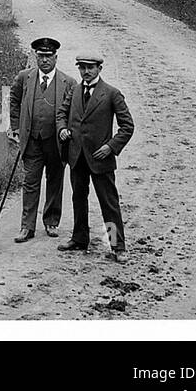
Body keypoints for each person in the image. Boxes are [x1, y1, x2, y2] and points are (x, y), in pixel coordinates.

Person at [57, 51, 135, 263]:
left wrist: (110, 147)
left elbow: (127, 126)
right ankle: (79, 238)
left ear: (100, 69)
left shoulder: (111, 93)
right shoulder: (73, 91)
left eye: (90, 68)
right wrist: (62, 129)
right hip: (77, 156)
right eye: (82, 67)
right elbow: (62, 114)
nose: (86, 72)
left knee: (108, 203)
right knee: (78, 198)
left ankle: (117, 245)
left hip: (101, 159)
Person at [8, 37, 76, 241]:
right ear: (36, 57)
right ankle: (27, 227)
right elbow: (14, 100)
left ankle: (51, 221)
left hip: (56, 141)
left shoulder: (69, 82)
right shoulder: (24, 78)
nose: (45, 60)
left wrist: (68, 132)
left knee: (55, 180)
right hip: (32, 140)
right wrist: (16, 128)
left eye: (48, 56)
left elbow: (73, 112)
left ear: (56, 57)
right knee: (30, 182)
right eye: (41, 56)